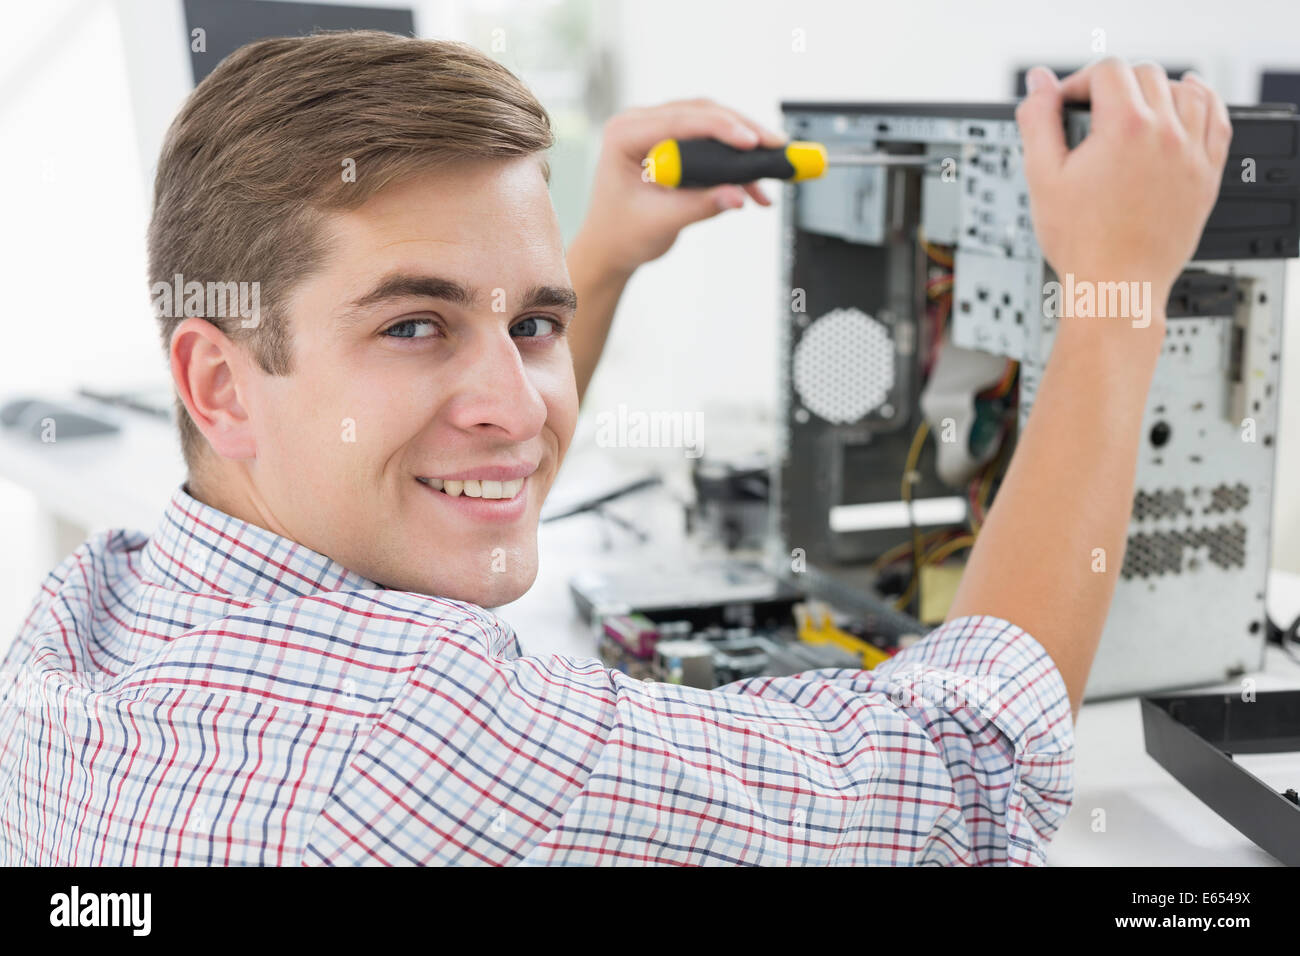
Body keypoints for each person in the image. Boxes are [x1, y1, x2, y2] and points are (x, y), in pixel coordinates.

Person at [0, 31, 1229, 865]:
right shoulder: (419, 738)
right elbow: (967, 777)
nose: (518, 401)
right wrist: (1119, 289)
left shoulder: (85, 613)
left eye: (533, 322)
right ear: (219, 382)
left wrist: (599, 255)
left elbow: (462, 436)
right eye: (413, 322)